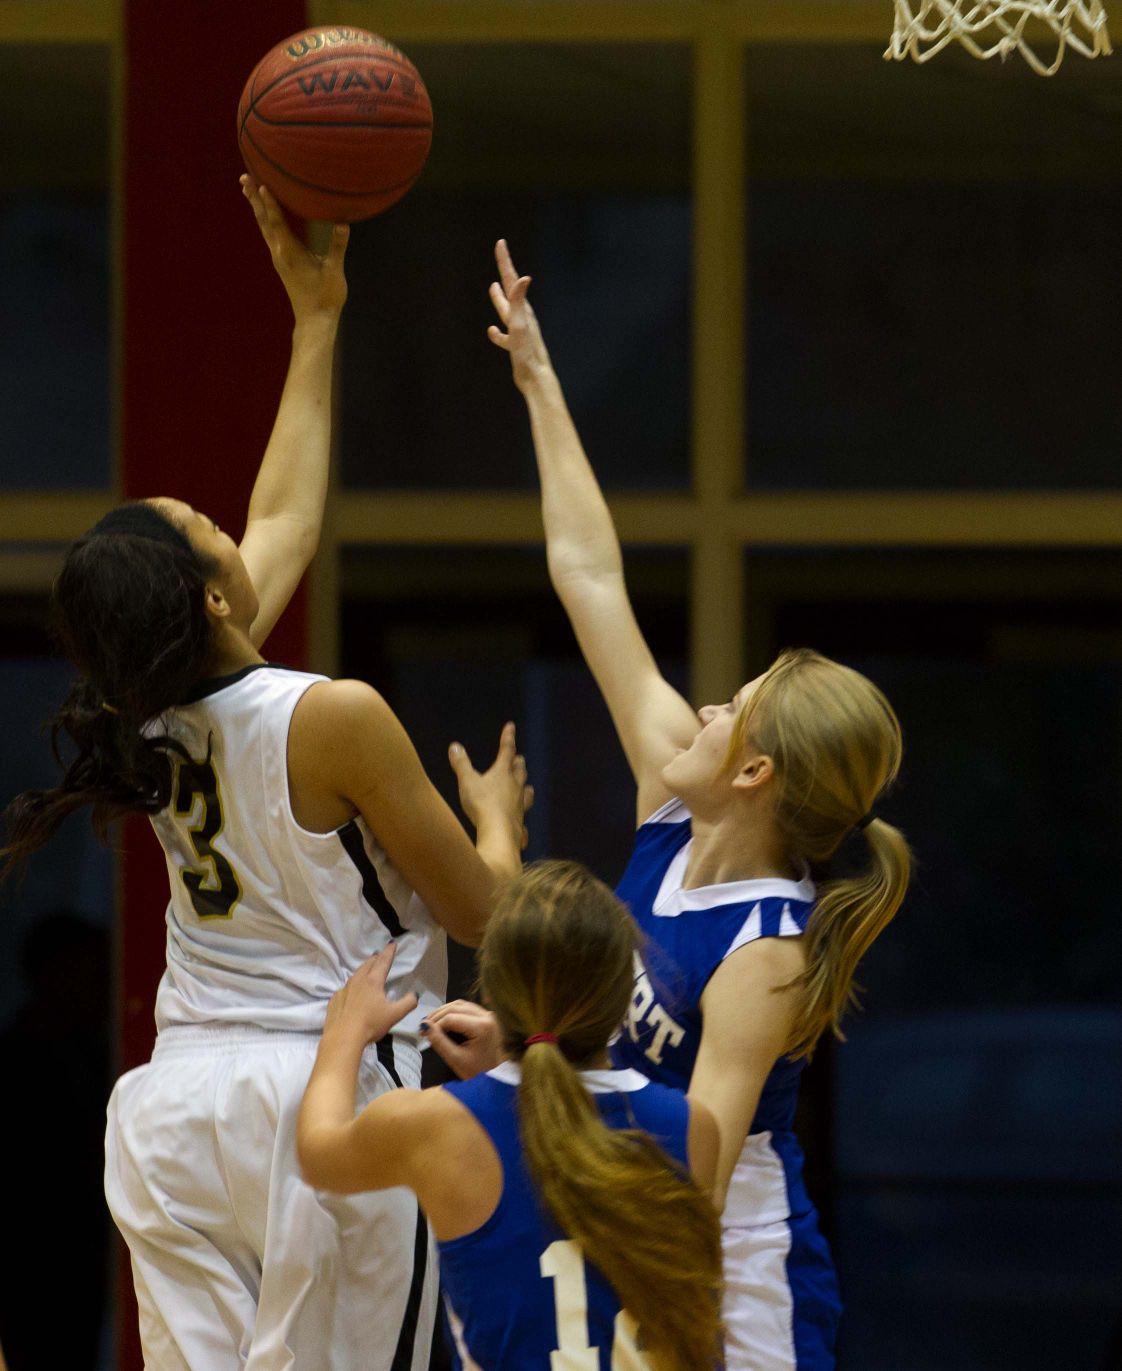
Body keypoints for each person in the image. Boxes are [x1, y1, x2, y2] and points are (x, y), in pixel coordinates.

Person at [1, 183, 530, 1371]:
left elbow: (283, 512)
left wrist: (317, 320)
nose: (226, 515)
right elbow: (484, 914)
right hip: (322, 1094)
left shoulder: (150, 710)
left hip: (174, 1110)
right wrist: (495, 826)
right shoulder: (335, 717)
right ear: (207, 592)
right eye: (202, 517)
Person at [462, 239, 913, 1371]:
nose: (703, 708)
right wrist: (541, 383)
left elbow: (700, 1174)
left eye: (733, 707)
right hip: (623, 1208)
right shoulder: (676, 804)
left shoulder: (766, 952)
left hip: (728, 1261)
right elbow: (591, 577)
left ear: (756, 773)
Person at [297, 859, 724, 1371]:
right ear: (622, 997)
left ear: (494, 992)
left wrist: (342, 1034)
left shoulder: (437, 1126)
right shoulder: (694, 1126)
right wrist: (507, 1066)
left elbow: (318, 1153)